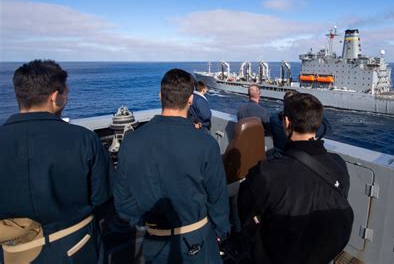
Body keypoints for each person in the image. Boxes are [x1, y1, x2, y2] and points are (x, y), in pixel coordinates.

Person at [0, 60, 112, 263]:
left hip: (11, 253)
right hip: (75, 248)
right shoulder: (83, 140)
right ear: (55, 96)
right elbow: (102, 198)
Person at [114, 68, 230, 263]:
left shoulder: (130, 143)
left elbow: (123, 201)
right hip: (198, 240)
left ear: (160, 96)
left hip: (154, 241)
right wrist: (221, 231)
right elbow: (217, 197)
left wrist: (144, 222)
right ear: (191, 99)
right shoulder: (205, 143)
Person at [238, 93, 353, 264]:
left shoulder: (267, 173)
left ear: (286, 122)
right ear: (318, 123)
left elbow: (245, 210)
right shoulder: (338, 164)